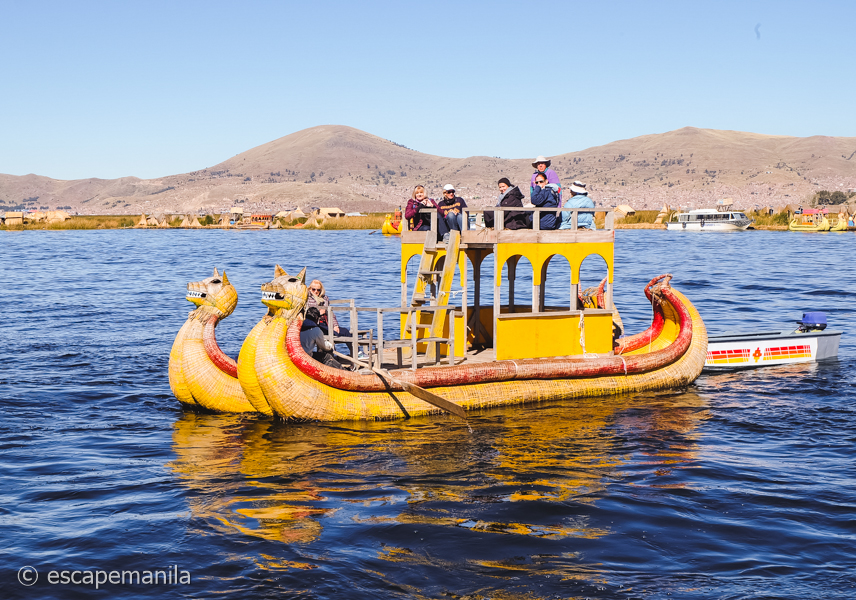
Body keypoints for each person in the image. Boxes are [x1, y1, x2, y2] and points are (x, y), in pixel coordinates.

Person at [306, 279, 357, 358]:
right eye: (313, 289)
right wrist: (319, 313)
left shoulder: (325, 298)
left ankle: (356, 353)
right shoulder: (307, 299)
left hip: (326, 323)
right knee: (331, 334)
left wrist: (335, 325)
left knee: (345, 332)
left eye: (318, 290)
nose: (316, 292)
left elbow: (331, 313)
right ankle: (332, 357)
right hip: (315, 325)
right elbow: (308, 314)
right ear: (310, 289)